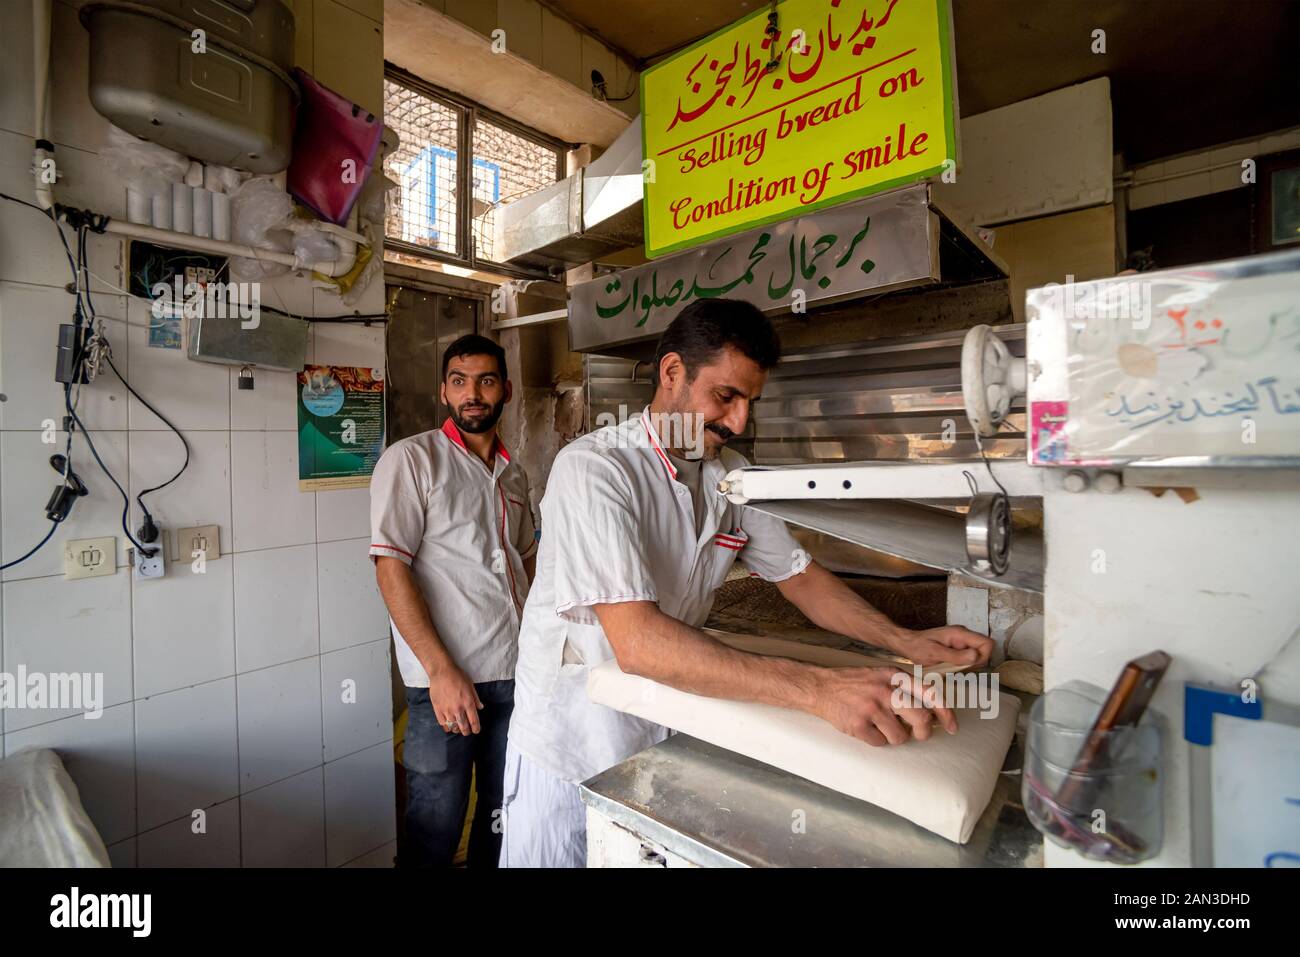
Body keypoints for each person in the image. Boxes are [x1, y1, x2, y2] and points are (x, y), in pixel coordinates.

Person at [500, 298, 993, 867]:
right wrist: (821, 691)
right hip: (570, 737)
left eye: (749, 403)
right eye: (725, 396)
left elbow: (800, 578)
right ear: (672, 373)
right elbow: (638, 644)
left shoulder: (730, 476)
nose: (738, 421)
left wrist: (905, 641)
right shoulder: (598, 470)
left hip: (664, 724)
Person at [370, 334, 537, 867]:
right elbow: (390, 568)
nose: (473, 394)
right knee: (434, 825)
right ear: (444, 391)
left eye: (486, 381)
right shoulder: (412, 461)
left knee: (504, 811)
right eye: (460, 381)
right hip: (445, 684)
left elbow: (527, 561)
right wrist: (441, 671)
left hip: (515, 673)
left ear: (505, 390)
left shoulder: (514, 473)